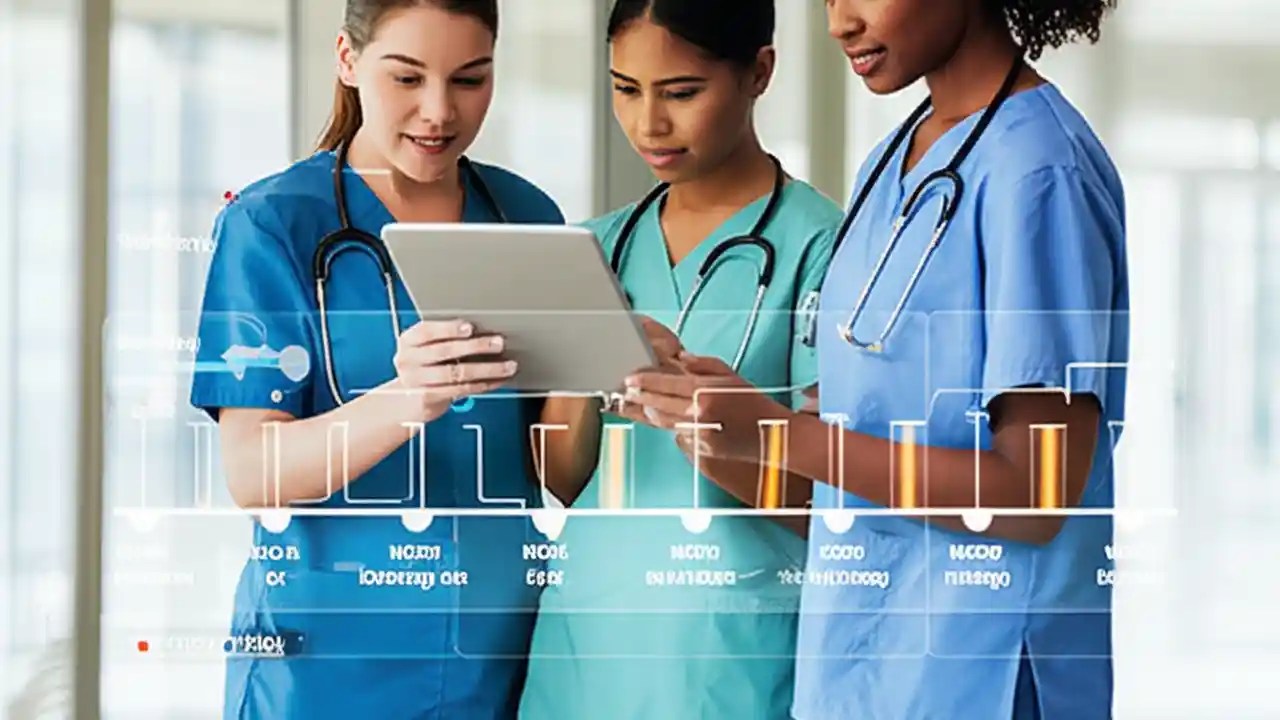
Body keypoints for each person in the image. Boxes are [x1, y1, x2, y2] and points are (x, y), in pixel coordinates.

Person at [623, 0, 1130, 718]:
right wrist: (712, 419)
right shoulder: (893, 161)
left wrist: (778, 434)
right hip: (860, 665)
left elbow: (1034, 493)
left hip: (978, 673)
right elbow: (847, 457)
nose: (840, 23)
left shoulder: (1039, 172)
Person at [189, 1, 562, 718]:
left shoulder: (527, 218)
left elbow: (555, 455)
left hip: (497, 657)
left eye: (470, 79)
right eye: (407, 78)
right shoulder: (274, 224)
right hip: (323, 667)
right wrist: (407, 399)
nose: (438, 112)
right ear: (347, 60)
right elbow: (252, 472)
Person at [517, 1, 841, 718]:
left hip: (731, 652)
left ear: (759, 71)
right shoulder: (594, 249)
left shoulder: (825, 247)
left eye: (681, 93)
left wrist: (705, 427)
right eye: (625, 89)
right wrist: (587, 356)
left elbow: (834, 507)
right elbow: (564, 481)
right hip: (586, 645)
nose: (647, 125)